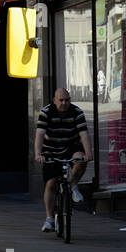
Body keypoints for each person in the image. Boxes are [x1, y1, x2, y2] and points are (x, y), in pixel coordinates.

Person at [35, 87, 92, 232]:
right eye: (61, 100)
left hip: (70, 147)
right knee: (51, 184)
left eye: (67, 100)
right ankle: (49, 219)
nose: (64, 103)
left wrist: (88, 153)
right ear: (54, 100)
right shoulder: (46, 112)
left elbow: (84, 134)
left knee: (80, 160)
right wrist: (38, 153)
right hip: (50, 150)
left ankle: (73, 186)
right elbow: (40, 134)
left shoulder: (77, 112)